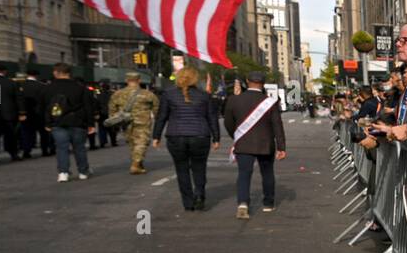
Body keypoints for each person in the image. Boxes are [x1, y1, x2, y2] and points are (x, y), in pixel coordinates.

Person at [152, 66, 221, 211]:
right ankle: (200, 195)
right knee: (199, 168)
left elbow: (161, 117)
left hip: (176, 136)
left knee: (181, 169)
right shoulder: (204, 96)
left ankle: (188, 202)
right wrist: (216, 138)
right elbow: (211, 118)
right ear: (195, 79)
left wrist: (156, 136)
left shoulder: (168, 95)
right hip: (200, 136)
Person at [223, 70, 286, 219]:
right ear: (263, 84)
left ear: (247, 81)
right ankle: (268, 204)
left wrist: (237, 136)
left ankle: (243, 203)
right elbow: (277, 126)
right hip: (266, 144)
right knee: (267, 173)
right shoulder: (270, 102)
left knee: (244, 174)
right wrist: (281, 147)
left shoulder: (234, 100)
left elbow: (228, 123)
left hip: (244, 143)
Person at [44, 62, 95, 182]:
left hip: (57, 122)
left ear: (56, 73)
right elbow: (88, 107)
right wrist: (90, 123)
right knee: (79, 148)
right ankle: (83, 171)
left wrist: (47, 123)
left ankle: (63, 172)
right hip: (77, 121)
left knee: (61, 148)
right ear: (69, 73)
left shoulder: (48, 88)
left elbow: (45, 107)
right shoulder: (80, 88)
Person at [110, 72, 158, 174]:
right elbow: (156, 108)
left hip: (125, 122)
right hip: (143, 122)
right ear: (139, 80)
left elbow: (112, 109)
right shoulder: (147, 94)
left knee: (132, 143)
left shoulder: (117, 94)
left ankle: (138, 164)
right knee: (141, 142)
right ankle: (136, 165)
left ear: (126, 80)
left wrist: (114, 121)